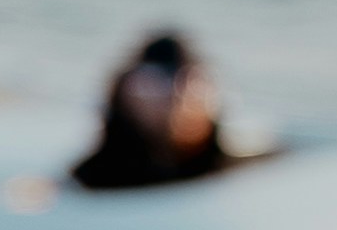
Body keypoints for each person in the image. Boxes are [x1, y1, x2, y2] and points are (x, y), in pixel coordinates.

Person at [69, 26, 242, 191]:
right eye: (153, 82)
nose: (176, 94)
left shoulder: (247, 176)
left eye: (190, 81)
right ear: (123, 91)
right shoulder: (82, 186)